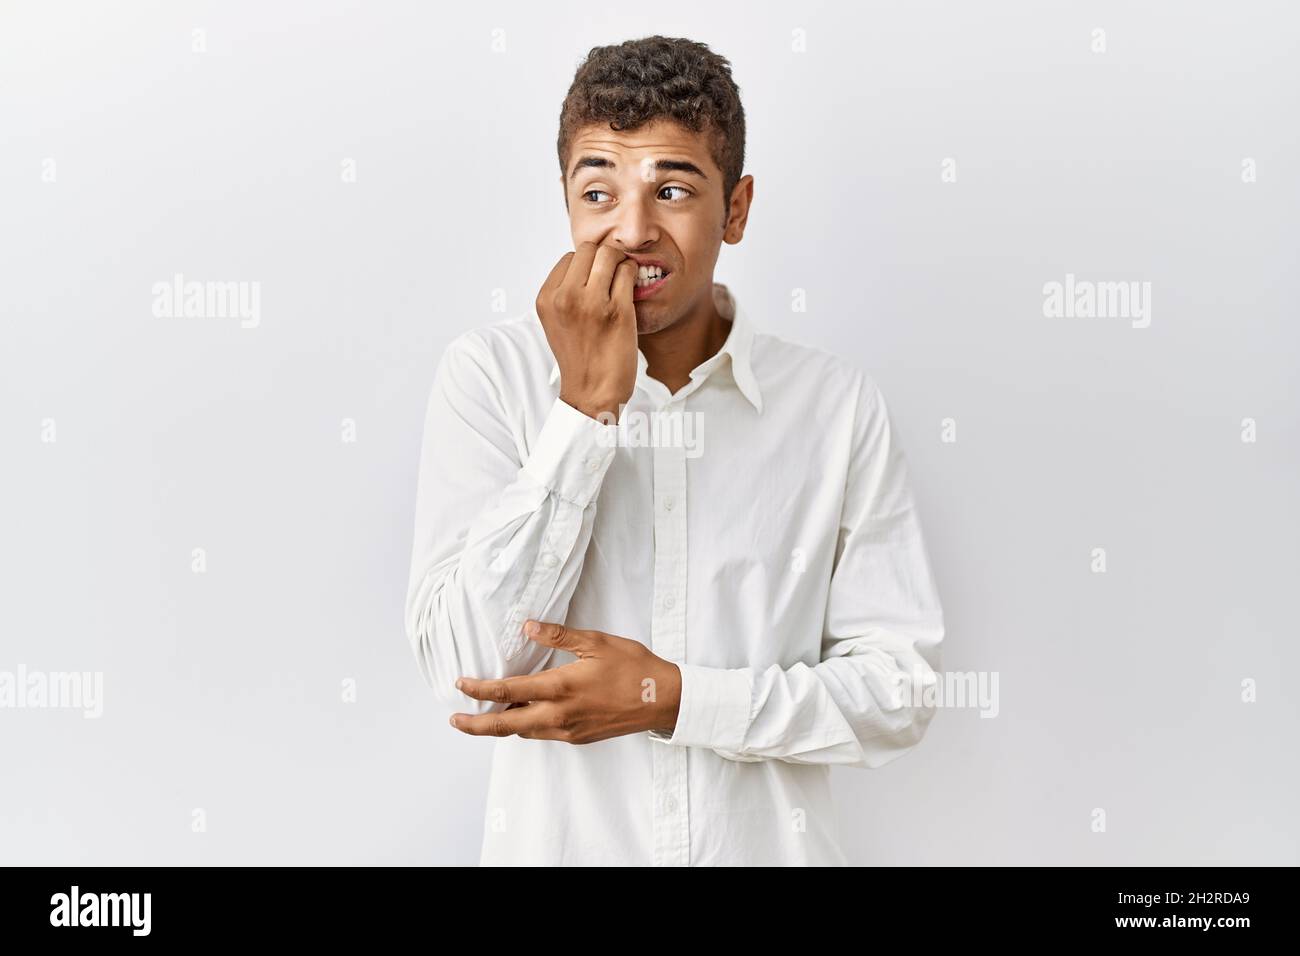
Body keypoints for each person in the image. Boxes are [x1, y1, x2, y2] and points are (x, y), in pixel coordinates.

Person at [404, 35, 945, 866]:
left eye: (672, 188)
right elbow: (470, 670)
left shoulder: (835, 408)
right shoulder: (490, 379)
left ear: (735, 209)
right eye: (598, 191)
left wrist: (677, 699)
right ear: (567, 202)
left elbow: (897, 692)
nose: (631, 230)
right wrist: (583, 414)